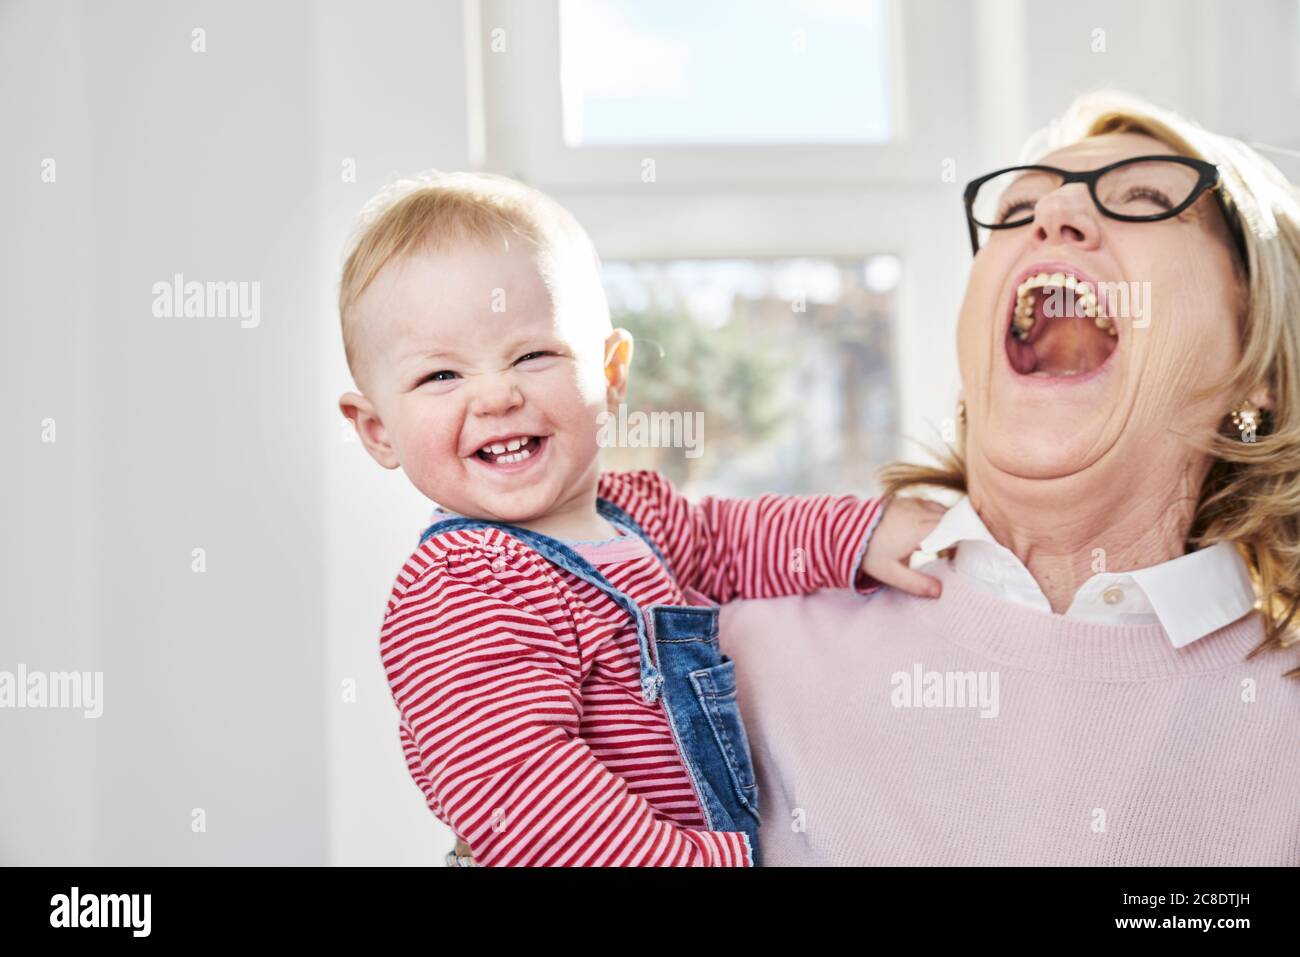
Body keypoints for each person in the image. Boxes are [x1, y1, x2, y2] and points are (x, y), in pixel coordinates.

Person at [720, 89, 1300, 865]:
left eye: (1145, 198)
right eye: (1020, 203)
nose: (1053, 216)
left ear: (1255, 363)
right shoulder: (732, 649)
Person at [335, 171, 944, 866]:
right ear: (377, 428)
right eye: (441, 376)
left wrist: (860, 533)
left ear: (611, 373)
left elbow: (727, 541)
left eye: (533, 355)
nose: (498, 394)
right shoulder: (463, 587)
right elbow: (527, 792)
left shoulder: (637, 514)